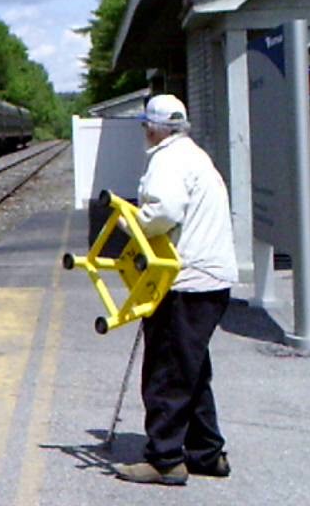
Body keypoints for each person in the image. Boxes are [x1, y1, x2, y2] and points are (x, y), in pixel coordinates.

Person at [113, 94, 238, 486]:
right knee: (191, 367)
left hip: (185, 280)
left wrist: (132, 224)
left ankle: (165, 459)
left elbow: (163, 213)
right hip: (211, 279)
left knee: (167, 369)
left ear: (152, 127)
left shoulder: (167, 159)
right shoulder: (195, 155)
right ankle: (206, 452)